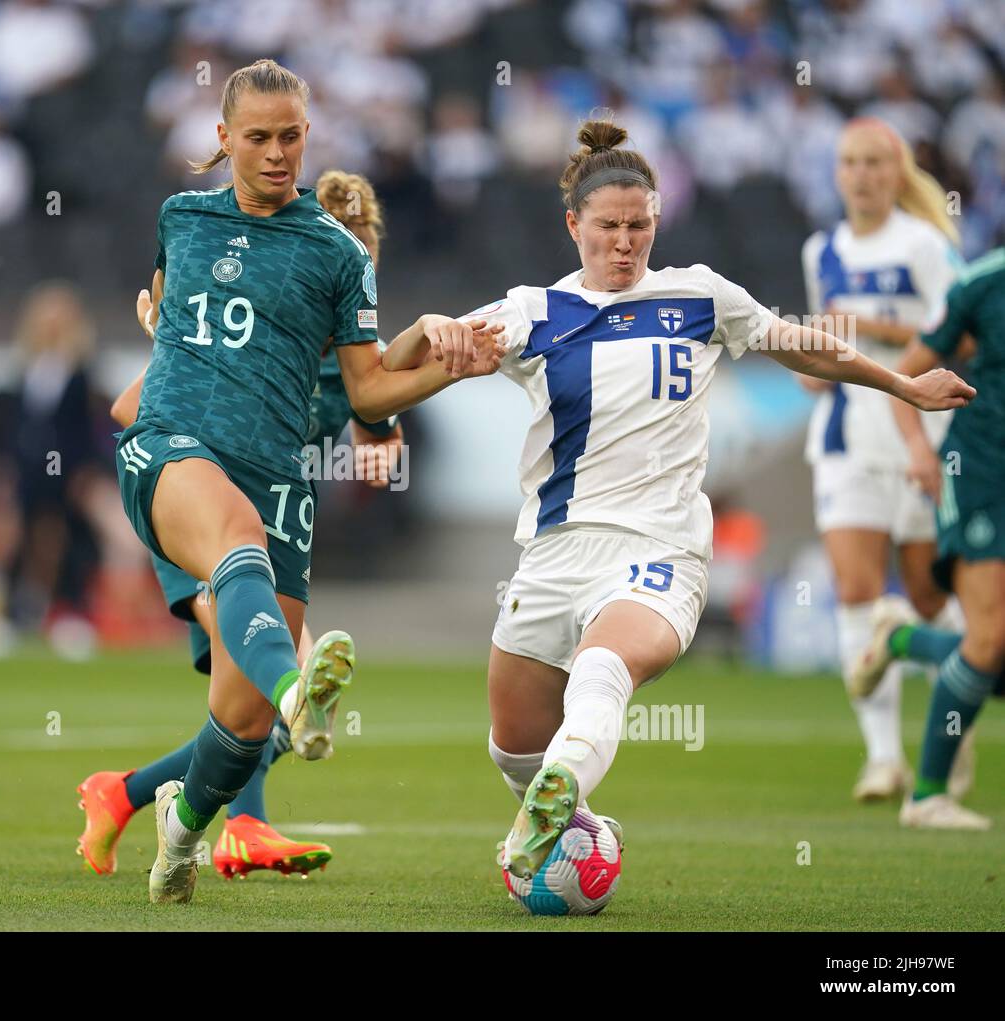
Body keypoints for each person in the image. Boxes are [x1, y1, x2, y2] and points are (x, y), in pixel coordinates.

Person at [383, 118, 974, 889]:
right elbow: (391, 369)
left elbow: (802, 341)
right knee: (512, 749)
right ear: (574, 226)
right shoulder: (532, 312)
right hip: (555, 552)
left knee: (603, 668)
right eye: (608, 227)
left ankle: (562, 793)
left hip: (660, 551)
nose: (624, 242)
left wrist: (902, 382)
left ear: (656, 222)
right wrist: (425, 327)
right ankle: (572, 819)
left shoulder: (699, 295)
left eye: (639, 225)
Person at [83, 59, 503, 905]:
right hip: (174, 449)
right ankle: (297, 690)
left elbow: (371, 389)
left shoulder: (339, 256)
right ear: (224, 138)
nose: (277, 153)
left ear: (308, 136)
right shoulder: (182, 218)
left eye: (292, 137)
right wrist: (165, 336)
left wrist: (449, 371)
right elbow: (154, 361)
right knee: (242, 566)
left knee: (238, 723)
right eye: (259, 137)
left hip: (279, 483)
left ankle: (175, 826)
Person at [77, 169, 405, 880]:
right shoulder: (255, 333)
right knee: (283, 679)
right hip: (197, 516)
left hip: (263, 520)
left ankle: (127, 793)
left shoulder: (337, 366)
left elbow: (378, 406)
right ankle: (243, 825)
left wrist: (385, 429)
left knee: (260, 704)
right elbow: (130, 407)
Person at [800, 117, 969, 802]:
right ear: (836, 173)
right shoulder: (822, 252)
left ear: (896, 172)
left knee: (929, 597)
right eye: (849, 162)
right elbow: (822, 352)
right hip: (846, 439)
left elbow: (963, 339)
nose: (861, 174)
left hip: (925, 441)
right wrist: (812, 367)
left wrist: (873, 330)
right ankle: (883, 757)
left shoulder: (927, 245)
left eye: (874, 162)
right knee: (853, 592)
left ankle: (951, 735)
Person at [849, 246, 1005, 830]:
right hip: (984, 472)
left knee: (993, 662)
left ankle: (901, 638)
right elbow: (911, 369)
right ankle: (927, 797)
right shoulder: (984, 284)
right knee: (988, 643)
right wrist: (918, 447)